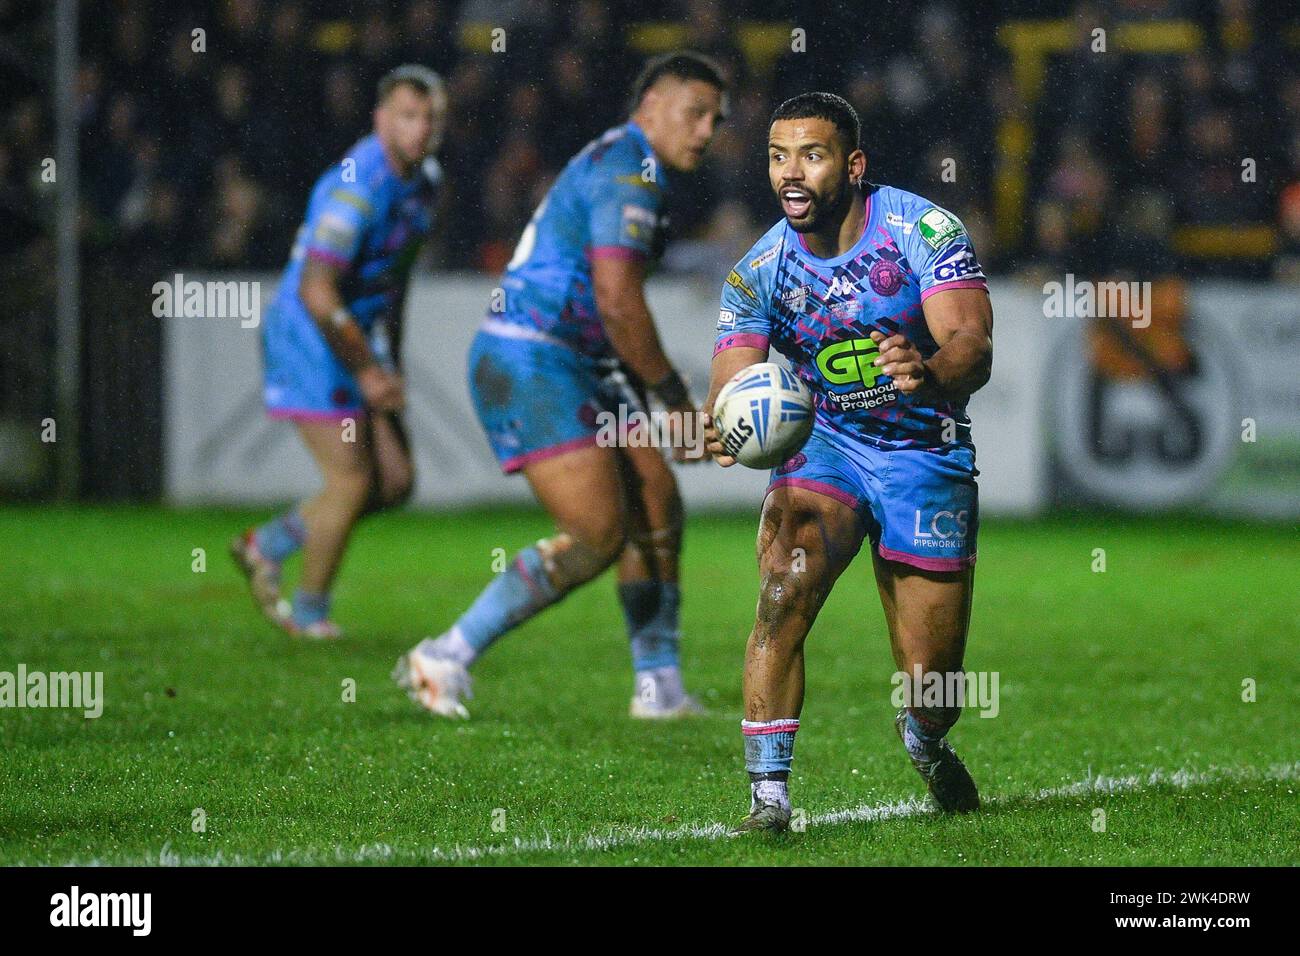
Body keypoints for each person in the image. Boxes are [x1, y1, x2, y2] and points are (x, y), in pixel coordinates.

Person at [393, 52, 727, 718]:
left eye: (716, 120)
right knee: (597, 531)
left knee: (657, 502)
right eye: (696, 113)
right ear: (651, 105)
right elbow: (618, 300)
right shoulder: (628, 170)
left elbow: (613, 310)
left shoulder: (631, 165)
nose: (707, 131)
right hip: (531, 356)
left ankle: (658, 690)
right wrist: (676, 406)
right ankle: (445, 655)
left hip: (577, 360)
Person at [701, 93, 994, 831]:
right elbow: (731, 384)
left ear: (854, 165)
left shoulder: (923, 231)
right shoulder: (758, 270)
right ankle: (769, 797)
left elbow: (973, 346)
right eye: (776, 156)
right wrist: (722, 426)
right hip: (824, 448)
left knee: (934, 682)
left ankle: (923, 739)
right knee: (781, 596)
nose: (789, 174)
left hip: (923, 452)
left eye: (811, 155)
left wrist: (928, 371)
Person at [231, 65, 448, 638]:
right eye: (407, 115)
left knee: (395, 481)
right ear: (380, 120)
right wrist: (369, 369)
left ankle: (268, 544)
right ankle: (309, 615)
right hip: (311, 337)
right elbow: (315, 288)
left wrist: (388, 360)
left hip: (358, 339)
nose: (420, 128)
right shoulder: (357, 186)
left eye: (430, 117)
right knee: (351, 481)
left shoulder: (425, 181)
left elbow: (395, 283)